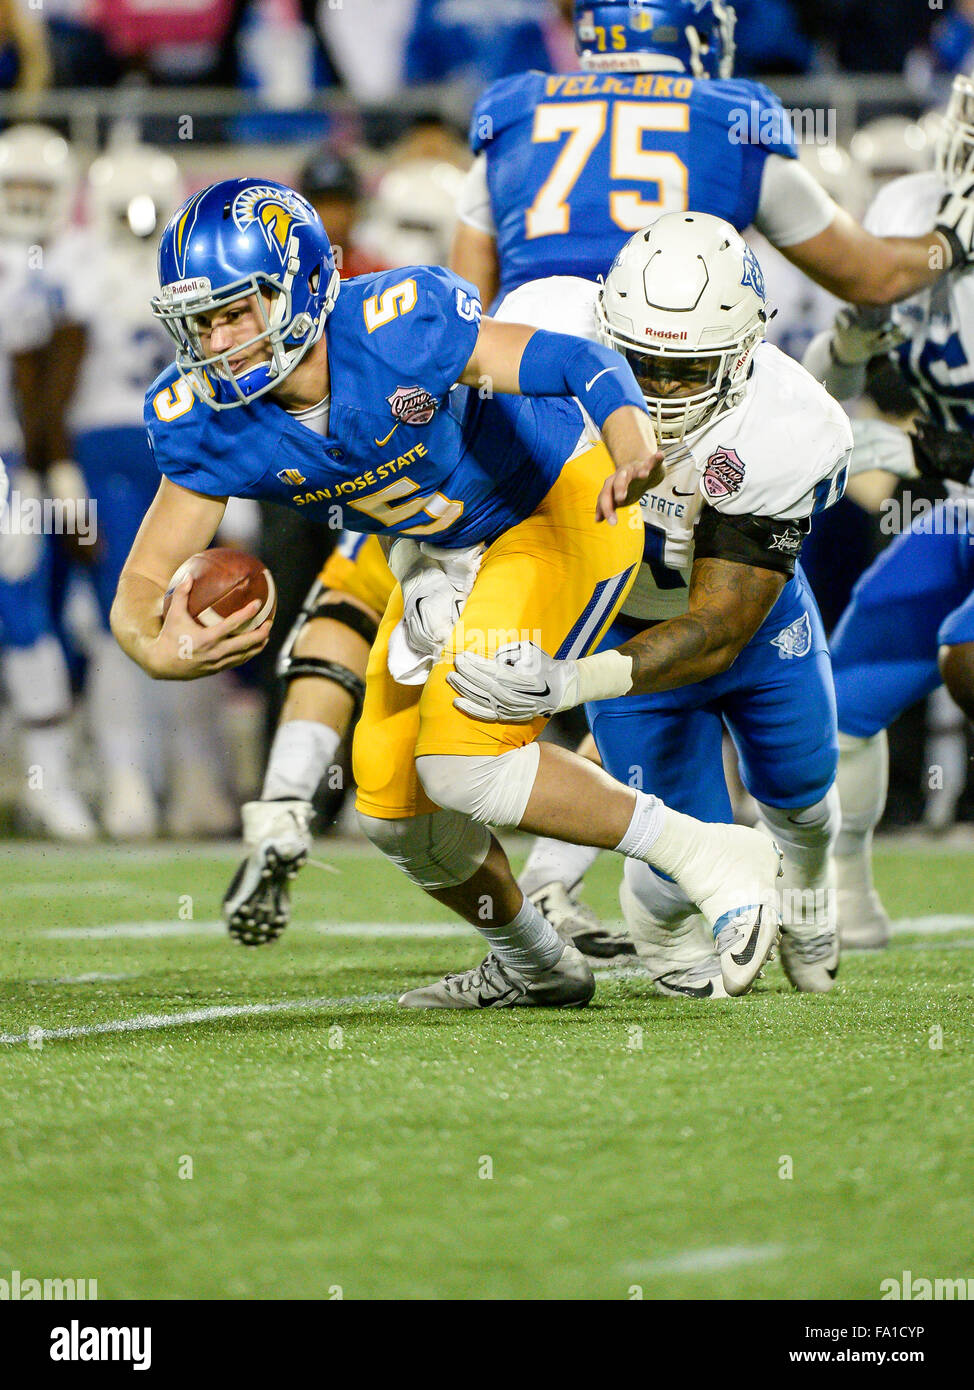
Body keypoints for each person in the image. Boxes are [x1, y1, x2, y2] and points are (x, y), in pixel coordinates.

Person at [112, 175, 784, 1007]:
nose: (220, 340)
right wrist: (155, 647)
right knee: (392, 807)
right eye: (202, 319)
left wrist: (628, 433)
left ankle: (713, 854)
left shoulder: (394, 325)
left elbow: (572, 357)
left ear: (304, 284)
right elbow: (143, 581)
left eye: (238, 309)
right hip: (446, 551)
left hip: (554, 502)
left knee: (465, 764)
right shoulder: (204, 414)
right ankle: (534, 962)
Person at [448, 214, 853, 996]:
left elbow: (716, 630)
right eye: (641, 362)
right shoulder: (546, 324)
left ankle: (810, 892)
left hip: (751, 628)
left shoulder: (788, 423)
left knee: (801, 797)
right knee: (677, 859)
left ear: (741, 354)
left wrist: (569, 682)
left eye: (688, 369)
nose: (660, 390)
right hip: (622, 618)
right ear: (606, 329)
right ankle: (658, 926)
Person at [451, 0, 974, 312]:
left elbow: (469, 310)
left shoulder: (514, 112)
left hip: (530, 406)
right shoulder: (730, 121)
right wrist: (947, 240)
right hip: (672, 401)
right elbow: (874, 276)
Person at [803, 71, 974, 950]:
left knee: (967, 658)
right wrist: (846, 347)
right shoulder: (913, 210)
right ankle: (851, 897)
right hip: (954, 514)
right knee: (843, 705)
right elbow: (822, 388)